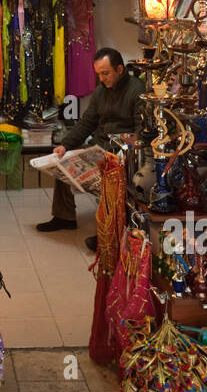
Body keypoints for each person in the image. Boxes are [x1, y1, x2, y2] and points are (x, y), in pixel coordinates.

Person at [37, 47, 143, 250]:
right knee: (62, 162)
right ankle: (64, 217)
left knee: (111, 179)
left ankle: (107, 235)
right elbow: (87, 122)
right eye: (99, 74)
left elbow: (142, 132)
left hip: (122, 151)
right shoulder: (101, 91)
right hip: (99, 145)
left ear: (120, 69)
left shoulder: (136, 90)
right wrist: (65, 145)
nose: (102, 78)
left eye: (106, 73)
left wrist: (122, 147)